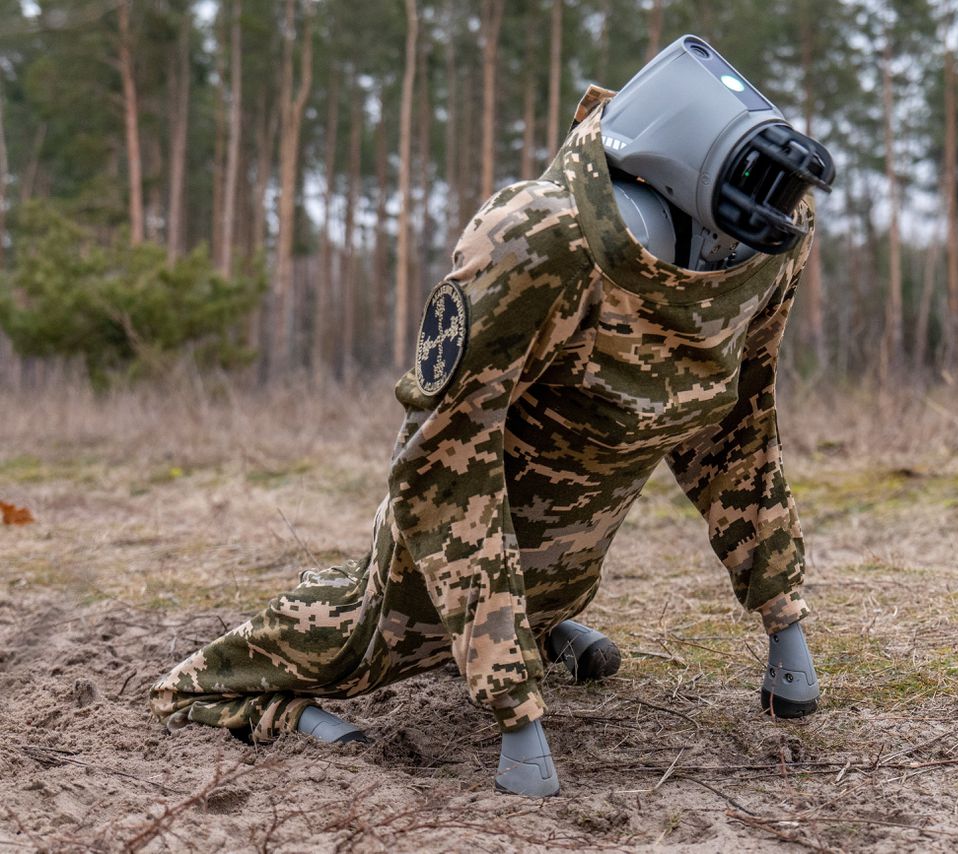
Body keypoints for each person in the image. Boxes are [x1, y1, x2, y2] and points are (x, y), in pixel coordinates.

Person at [149, 35, 833, 798]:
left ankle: (543, 627)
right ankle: (284, 706)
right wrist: (514, 710)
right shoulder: (540, 242)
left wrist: (783, 618)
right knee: (293, 656)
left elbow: (736, 427)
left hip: (562, 579)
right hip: (421, 601)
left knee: (564, 577)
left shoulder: (772, 236)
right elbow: (444, 459)